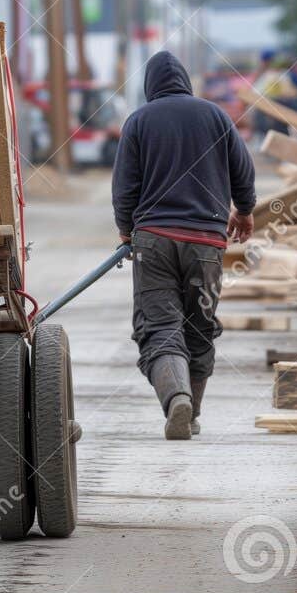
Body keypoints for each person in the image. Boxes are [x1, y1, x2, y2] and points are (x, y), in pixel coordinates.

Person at [112, 51, 256, 440]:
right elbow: (243, 169)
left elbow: (124, 186)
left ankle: (176, 398)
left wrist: (127, 230)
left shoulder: (139, 121)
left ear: (150, 86)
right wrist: (244, 211)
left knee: (160, 326)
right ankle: (191, 412)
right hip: (206, 243)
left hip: (154, 241)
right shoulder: (215, 115)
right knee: (200, 327)